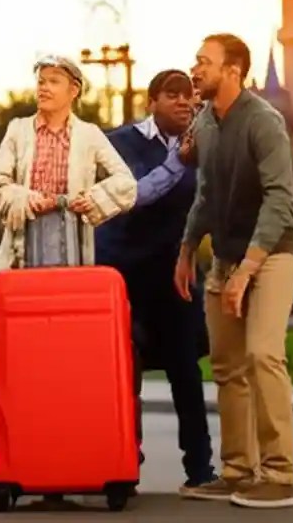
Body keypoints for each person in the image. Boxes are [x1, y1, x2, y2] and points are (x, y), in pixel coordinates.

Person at [174, 33, 293, 509]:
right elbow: (206, 195)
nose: (195, 68)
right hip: (226, 256)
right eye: (196, 59)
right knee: (227, 366)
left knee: (263, 355)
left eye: (204, 61)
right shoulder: (207, 122)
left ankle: (279, 474)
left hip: (272, 253)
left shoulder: (264, 122)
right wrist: (187, 249)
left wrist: (246, 273)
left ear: (234, 70)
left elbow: (280, 201)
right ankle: (236, 471)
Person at [94, 69, 216, 495]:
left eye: (191, 97)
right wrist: (179, 160)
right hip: (123, 274)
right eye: (174, 95)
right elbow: (134, 197)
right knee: (123, 372)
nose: (185, 103)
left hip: (174, 275)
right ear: (153, 101)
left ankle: (200, 470)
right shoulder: (119, 143)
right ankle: (124, 462)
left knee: (186, 369)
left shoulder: (201, 147)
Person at [0, 53, 137, 275]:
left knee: (68, 302)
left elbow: (126, 183)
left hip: (73, 243)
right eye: (41, 81)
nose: (44, 88)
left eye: (54, 81)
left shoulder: (89, 134)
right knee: (24, 305)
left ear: (73, 90)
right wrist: (25, 199)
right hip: (23, 248)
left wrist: (93, 199)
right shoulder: (18, 130)